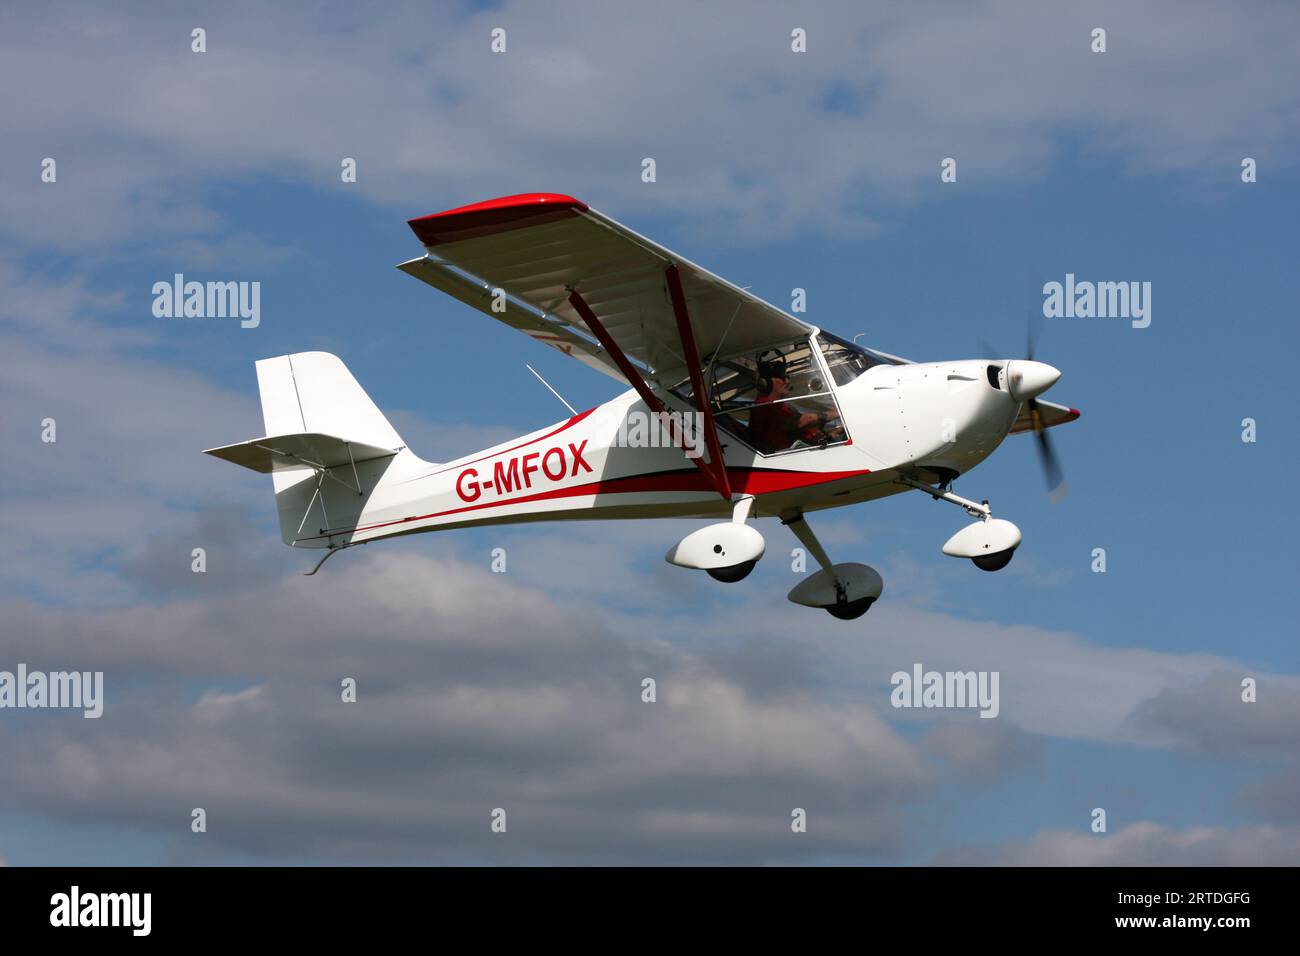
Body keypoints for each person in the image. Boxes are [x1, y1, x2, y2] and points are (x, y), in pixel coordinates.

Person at [747, 358, 825, 452]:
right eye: (783, 377)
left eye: (788, 377)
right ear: (766, 382)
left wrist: (831, 433)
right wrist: (835, 413)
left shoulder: (780, 406)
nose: (787, 381)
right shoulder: (763, 405)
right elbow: (801, 422)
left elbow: (808, 433)